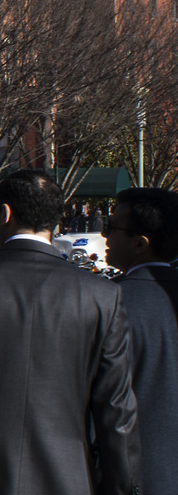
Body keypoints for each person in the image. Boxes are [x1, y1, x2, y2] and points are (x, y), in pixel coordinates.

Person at [0, 168, 137, 495]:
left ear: (4, 214)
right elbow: (115, 410)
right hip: (68, 477)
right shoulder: (102, 296)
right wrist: (120, 485)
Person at [107, 186, 178, 495]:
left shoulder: (110, 302)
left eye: (111, 227)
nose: (105, 236)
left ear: (140, 243)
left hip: (136, 475)